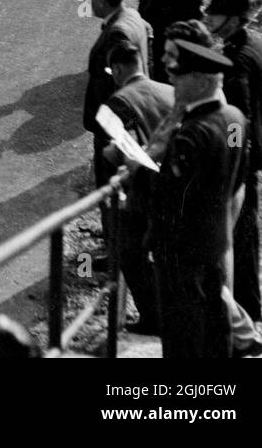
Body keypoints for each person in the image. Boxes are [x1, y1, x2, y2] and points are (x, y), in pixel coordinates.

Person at [127, 24, 249, 358]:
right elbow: (236, 180)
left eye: (177, 70)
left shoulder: (190, 136)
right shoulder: (235, 118)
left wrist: (138, 174)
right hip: (215, 244)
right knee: (214, 335)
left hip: (181, 257)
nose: (171, 77)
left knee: (183, 341)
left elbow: (165, 200)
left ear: (197, 76)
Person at [204, 0, 262, 328]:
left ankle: (244, 312)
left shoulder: (234, 62)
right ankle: (249, 307)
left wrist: (232, 155)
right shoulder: (255, 45)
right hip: (252, 155)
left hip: (239, 165)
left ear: (231, 19)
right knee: (247, 237)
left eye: (214, 12)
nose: (208, 16)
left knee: (238, 239)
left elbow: (238, 118)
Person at [98, 39, 173, 334]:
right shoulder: (170, 91)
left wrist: (109, 154)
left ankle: (154, 317)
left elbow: (125, 149)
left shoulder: (118, 101)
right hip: (178, 187)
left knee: (130, 252)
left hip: (143, 193)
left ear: (116, 69)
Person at [84, 0, 152, 186]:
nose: (89, 4)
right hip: (128, 111)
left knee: (109, 182)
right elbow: (149, 32)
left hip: (114, 121)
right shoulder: (132, 14)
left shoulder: (117, 33)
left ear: (102, 1)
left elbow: (116, 79)